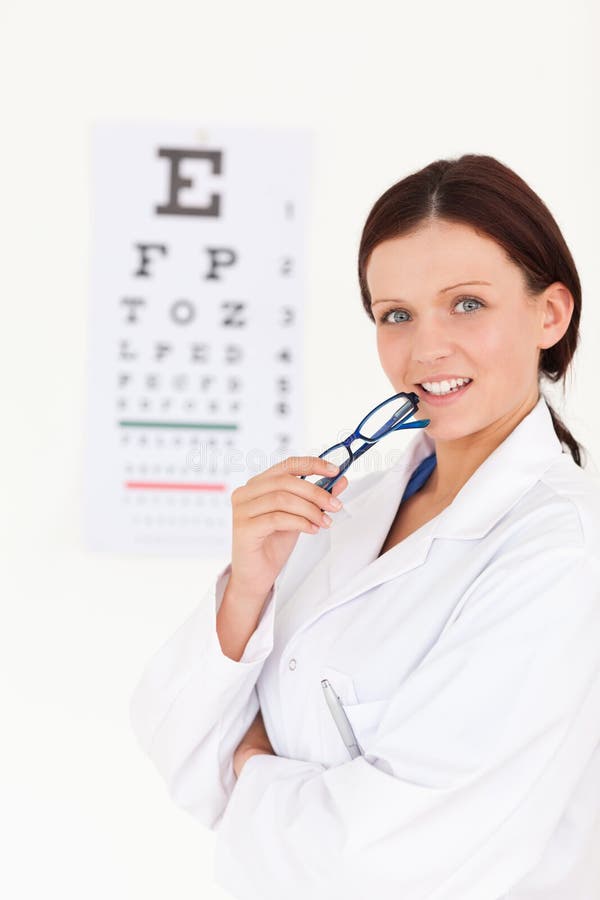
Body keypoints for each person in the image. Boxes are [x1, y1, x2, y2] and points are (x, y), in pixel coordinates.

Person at [129, 154, 600, 900]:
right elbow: (171, 741)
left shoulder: (562, 548)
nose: (426, 348)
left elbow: (386, 858)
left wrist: (243, 765)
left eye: (467, 304)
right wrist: (248, 584)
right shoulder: (350, 507)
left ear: (551, 314)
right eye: (396, 314)